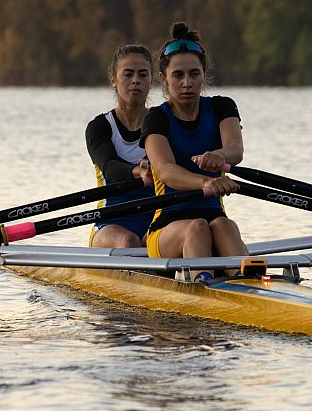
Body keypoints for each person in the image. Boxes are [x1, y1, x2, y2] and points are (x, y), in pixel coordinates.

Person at [141, 22, 248, 260]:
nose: (187, 83)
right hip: (167, 226)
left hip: (214, 217)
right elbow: (166, 171)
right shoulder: (156, 118)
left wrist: (220, 155)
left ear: (204, 74)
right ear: (164, 78)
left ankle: (249, 279)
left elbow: (235, 150)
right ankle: (204, 278)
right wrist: (206, 182)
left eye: (194, 74)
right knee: (197, 227)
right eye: (178, 75)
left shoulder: (222, 107)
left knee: (226, 225)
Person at [84, 44, 156, 248]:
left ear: (151, 81)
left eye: (143, 74)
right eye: (128, 74)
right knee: (129, 241)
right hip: (110, 222)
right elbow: (110, 167)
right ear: (113, 79)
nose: (136, 80)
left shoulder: (162, 122)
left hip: (157, 218)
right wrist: (138, 171)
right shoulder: (100, 126)